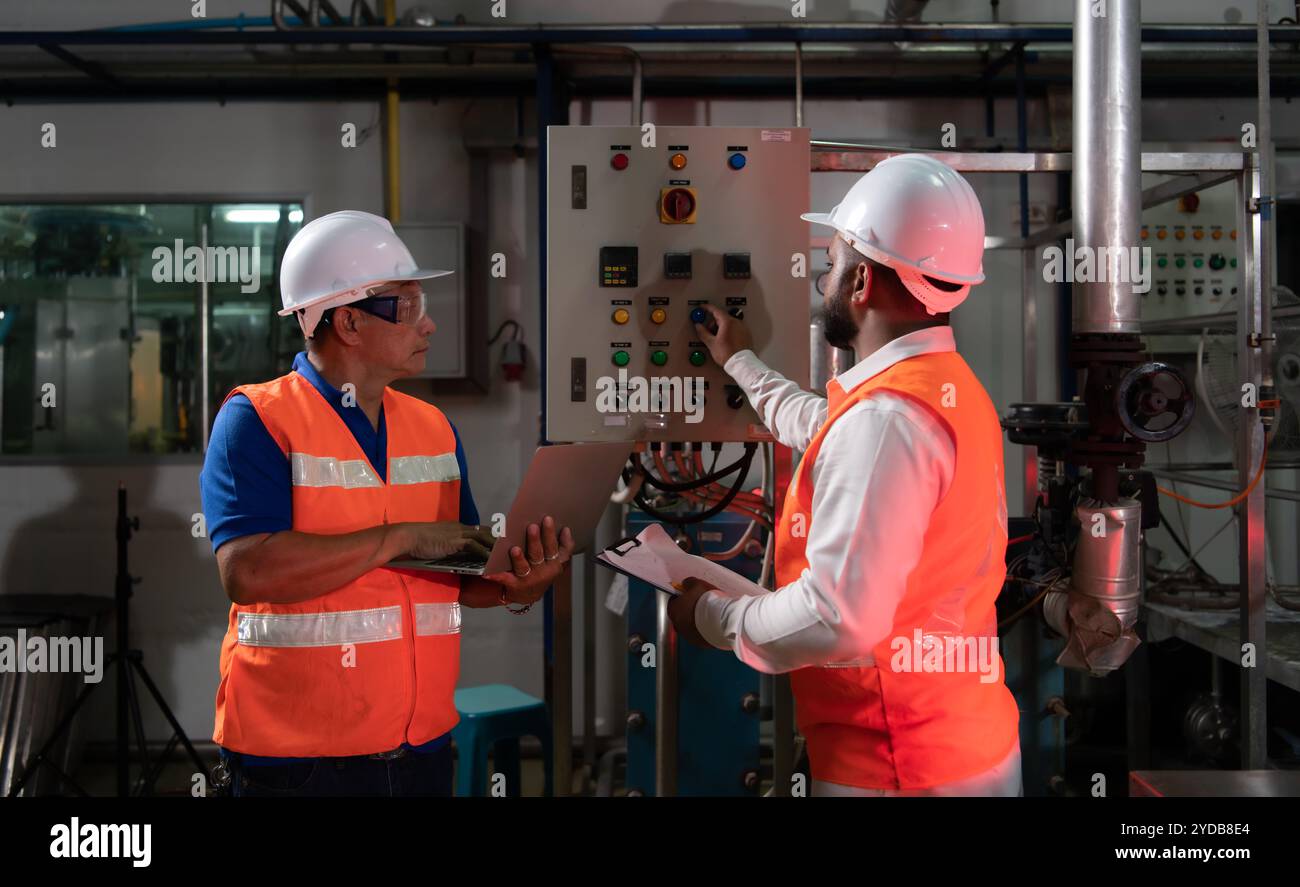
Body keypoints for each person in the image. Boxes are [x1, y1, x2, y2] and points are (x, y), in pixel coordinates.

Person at [667, 155, 1021, 797]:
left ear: (859, 283)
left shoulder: (888, 417)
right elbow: (830, 430)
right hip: (960, 740)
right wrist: (742, 363)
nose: (824, 280)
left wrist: (713, 617)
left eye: (830, 266)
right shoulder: (943, 390)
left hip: (895, 762)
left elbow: (837, 617)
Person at [199, 210, 573, 797]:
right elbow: (247, 571)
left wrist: (514, 586)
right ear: (347, 321)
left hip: (419, 749)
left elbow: (455, 572)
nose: (428, 325)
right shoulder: (258, 420)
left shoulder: (433, 428)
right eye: (407, 305)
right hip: (298, 763)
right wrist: (400, 537)